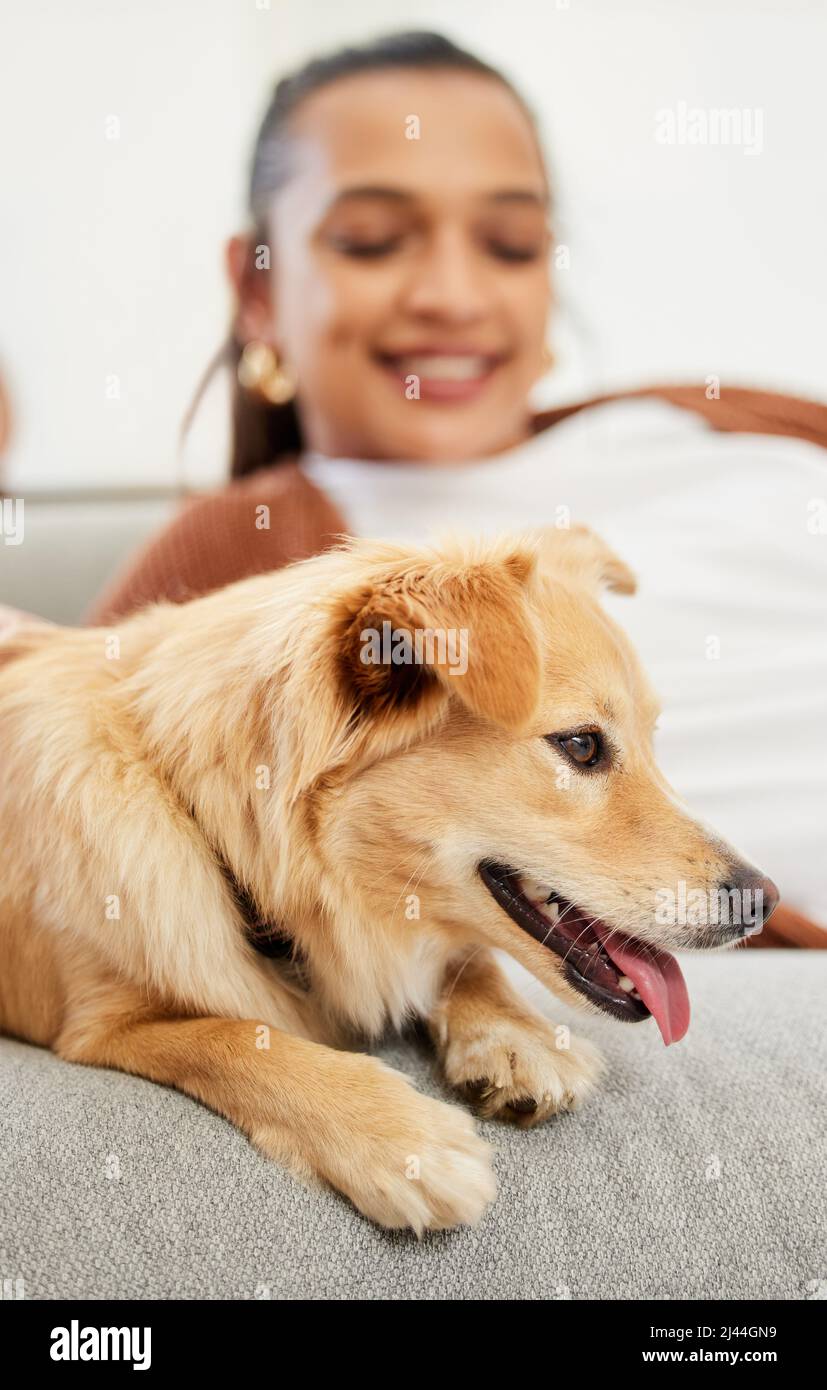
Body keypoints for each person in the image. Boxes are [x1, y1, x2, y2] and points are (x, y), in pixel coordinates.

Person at [86, 31, 827, 935]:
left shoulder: (721, 418)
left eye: (509, 245)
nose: (452, 294)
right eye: (372, 241)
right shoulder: (253, 562)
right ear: (258, 289)